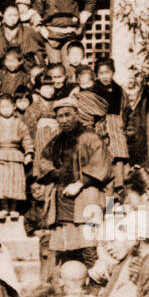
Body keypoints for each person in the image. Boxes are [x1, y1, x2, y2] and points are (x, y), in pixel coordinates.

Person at [31, 96, 112, 282]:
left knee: (89, 249)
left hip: (86, 197)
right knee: (64, 251)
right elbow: (43, 162)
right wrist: (57, 173)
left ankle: (96, 287)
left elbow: (101, 165)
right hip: (61, 201)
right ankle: (69, 287)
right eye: (60, 116)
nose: (64, 119)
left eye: (68, 115)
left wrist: (79, 183)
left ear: (77, 114)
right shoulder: (55, 142)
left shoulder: (91, 137)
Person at [0, 93, 33, 218]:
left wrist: (28, 153)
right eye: (3, 107)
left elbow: (26, 138)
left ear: (14, 107)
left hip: (16, 155)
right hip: (0, 154)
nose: (6, 110)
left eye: (9, 106)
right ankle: (4, 208)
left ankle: (13, 209)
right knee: (2, 182)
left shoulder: (19, 123)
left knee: (15, 182)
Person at [34, 0, 92, 66]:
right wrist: (47, 36)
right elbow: (36, 15)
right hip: (52, 36)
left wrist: (81, 23)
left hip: (70, 35)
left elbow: (90, 1)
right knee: (55, 66)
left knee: (70, 65)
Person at [0, 2, 44, 67]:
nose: (13, 19)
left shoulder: (28, 31)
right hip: (7, 68)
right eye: (9, 15)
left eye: (15, 15)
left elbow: (40, 51)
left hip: (27, 67)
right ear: (3, 16)